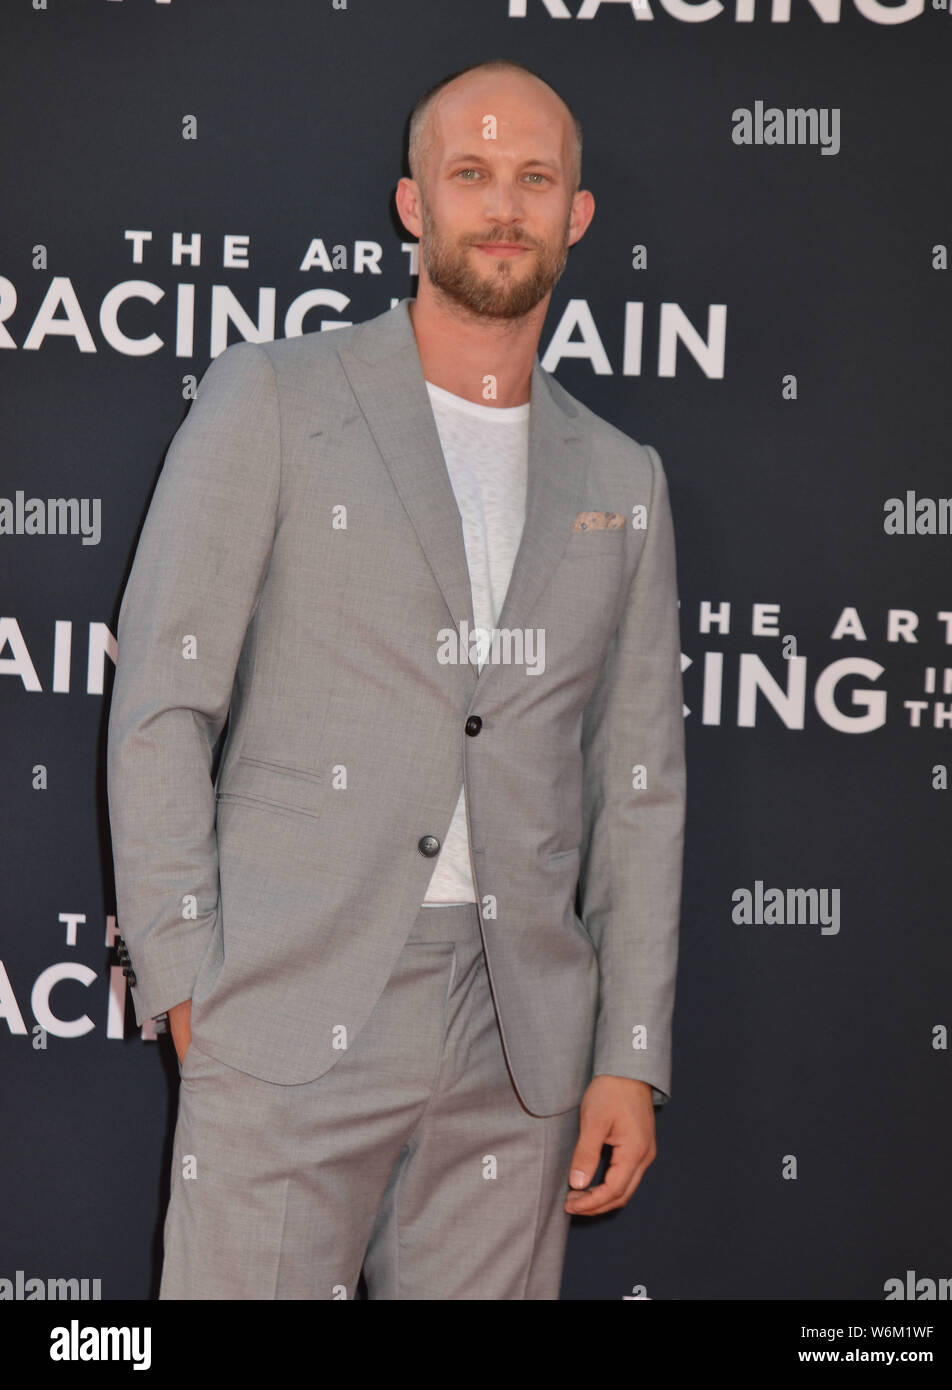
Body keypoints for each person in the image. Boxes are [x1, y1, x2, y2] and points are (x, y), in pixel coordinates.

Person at [107, 57, 686, 1301]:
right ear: (411, 205)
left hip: (518, 1041)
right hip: (285, 997)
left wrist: (626, 1053)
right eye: (469, 174)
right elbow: (162, 703)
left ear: (575, 216)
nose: (501, 206)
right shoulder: (271, 398)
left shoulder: (621, 478)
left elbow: (636, 788)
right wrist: (186, 985)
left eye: (534, 179)